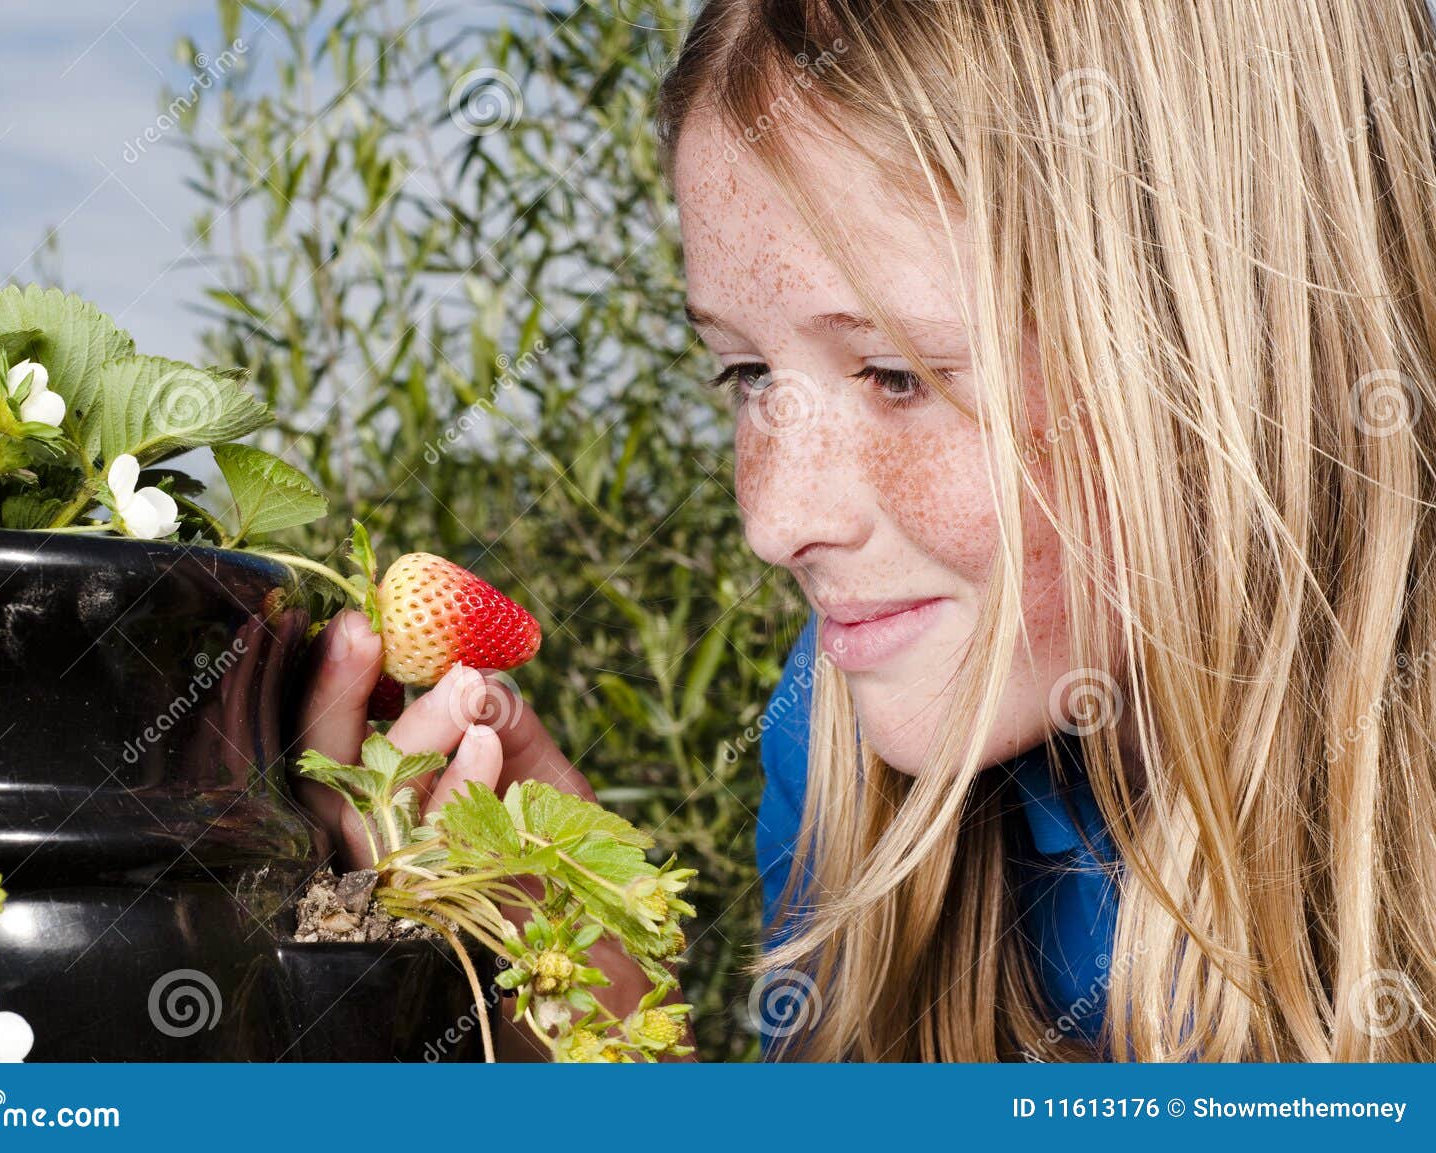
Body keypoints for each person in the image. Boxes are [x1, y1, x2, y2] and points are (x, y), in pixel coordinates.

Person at [298, 0, 1436, 1062]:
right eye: (746, 372)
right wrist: (597, 993)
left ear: (1232, 353)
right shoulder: (839, 733)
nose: (775, 520)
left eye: (895, 373)